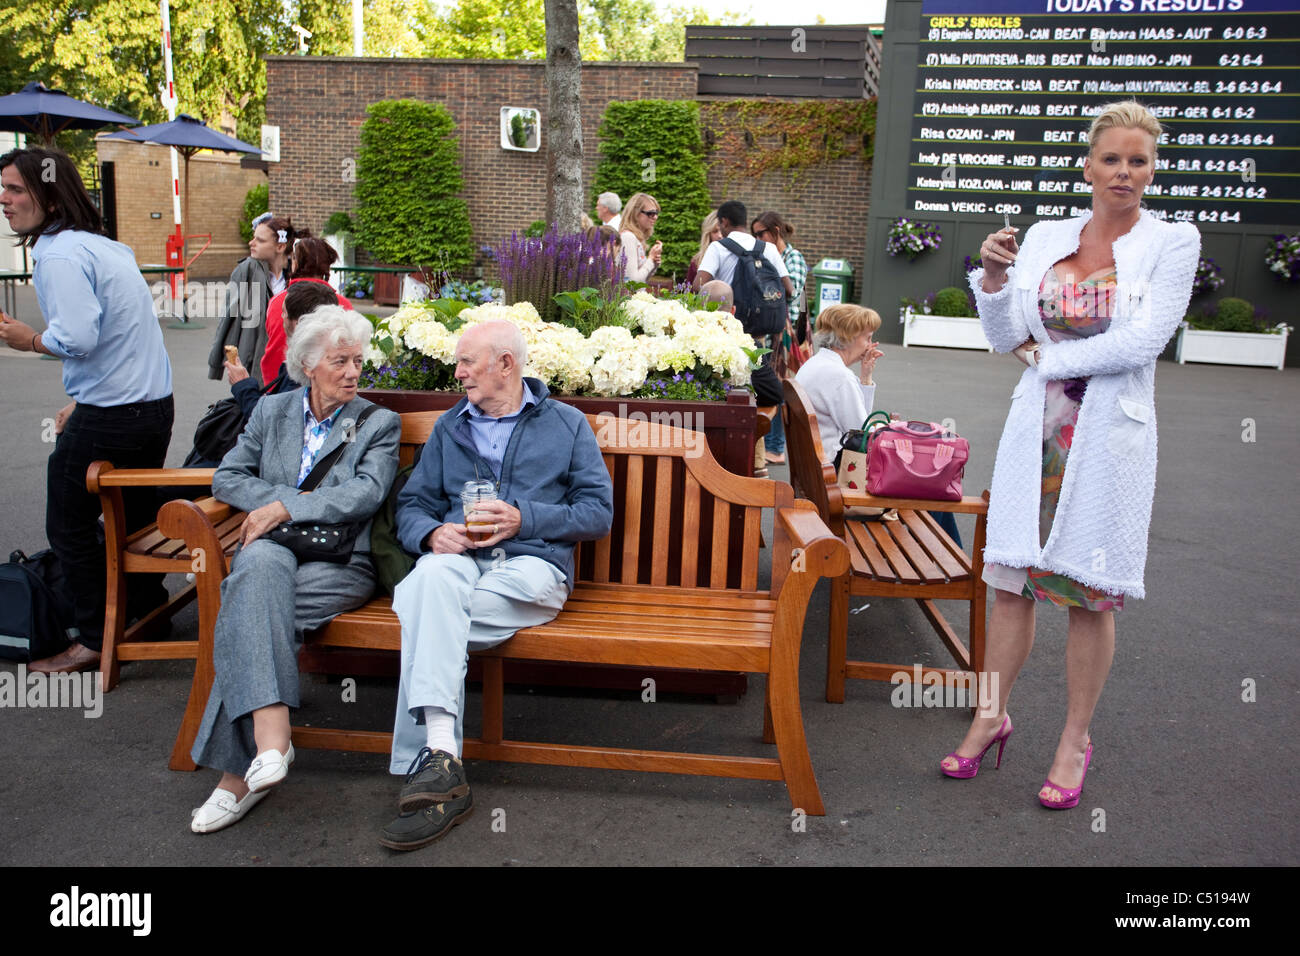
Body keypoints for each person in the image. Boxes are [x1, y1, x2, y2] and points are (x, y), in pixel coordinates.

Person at [942, 100, 1199, 809]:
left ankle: (1073, 740)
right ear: (1088, 165)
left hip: (1106, 439)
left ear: (1152, 169)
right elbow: (1006, 334)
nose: (1124, 172)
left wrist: (1044, 360)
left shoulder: (1171, 242)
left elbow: (1142, 341)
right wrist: (993, 283)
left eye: (1138, 160)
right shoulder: (1048, 235)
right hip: (1038, 434)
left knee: (1088, 593)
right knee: (1010, 584)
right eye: (1111, 159)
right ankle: (991, 717)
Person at [381, 319, 614, 851]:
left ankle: (431, 765)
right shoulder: (449, 427)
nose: (457, 372)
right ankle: (444, 763)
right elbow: (412, 504)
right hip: (463, 560)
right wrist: (433, 532)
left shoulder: (567, 425)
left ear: (505, 364)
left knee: (423, 608)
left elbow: (598, 514)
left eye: (467, 362)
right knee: (431, 578)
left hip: (532, 567)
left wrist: (522, 519)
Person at [187, 306, 400, 833]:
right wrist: (287, 501)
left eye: (357, 361)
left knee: (247, 603)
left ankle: (239, 775)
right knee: (258, 570)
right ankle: (271, 745)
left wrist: (285, 506)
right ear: (307, 364)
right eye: (339, 361)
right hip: (275, 550)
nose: (352, 372)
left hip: (339, 562)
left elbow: (365, 494)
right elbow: (228, 477)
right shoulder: (271, 411)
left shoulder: (377, 423)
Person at [0, 146, 174, 675]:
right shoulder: (106, 247)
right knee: (136, 519)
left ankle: (94, 639)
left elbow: (76, 337)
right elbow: (126, 336)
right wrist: (82, 396)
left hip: (114, 415)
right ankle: (146, 613)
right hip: (151, 406)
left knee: (69, 524)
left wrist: (29, 340)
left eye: (15, 190)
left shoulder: (56, 256)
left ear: (49, 196)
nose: (4, 201)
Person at [208, 214, 297, 385]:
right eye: (253, 237)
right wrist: (219, 362)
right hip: (252, 364)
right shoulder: (245, 270)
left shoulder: (295, 275)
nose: (251, 243)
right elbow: (229, 317)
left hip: (289, 364)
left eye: (260, 240)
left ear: (280, 246)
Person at [794, 304, 882, 468]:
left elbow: (859, 424)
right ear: (848, 337)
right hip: (832, 466)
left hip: (812, 464)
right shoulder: (839, 376)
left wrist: (865, 376)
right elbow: (861, 435)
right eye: (867, 338)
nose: (870, 345)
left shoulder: (815, 363)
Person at [751, 211, 808, 465]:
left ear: (775, 231)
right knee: (774, 384)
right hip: (773, 329)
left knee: (780, 386)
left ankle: (776, 447)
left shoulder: (792, 257)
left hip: (787, 332)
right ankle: (775, 445)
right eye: (754, 235)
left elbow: (790, 292)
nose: (757, 239)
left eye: (761, 233)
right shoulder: (766, 254)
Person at [258, 236, 352, 385]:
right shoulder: (343, 304)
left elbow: (274, 342)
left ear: (295, 263)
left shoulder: (278, 302)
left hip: (277, 380)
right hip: (328, 383)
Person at [690, 200, 793, 303]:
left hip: (730, 317)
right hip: (764, 318)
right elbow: (789, 290)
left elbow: (698, 286)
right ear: (745, 222)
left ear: (724, 222)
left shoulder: (717, 247)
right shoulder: (769, 248)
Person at [618, 192, 665, 284]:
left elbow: (642, 281)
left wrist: (653, 263)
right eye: (650, 213)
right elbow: (632, 283)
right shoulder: (628, 238)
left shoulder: (635, 238)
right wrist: (651, 259)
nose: (655, 217)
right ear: (635, 214)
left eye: (656, 213)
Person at [685, 211, 720, 287]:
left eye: (722, 231)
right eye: (715, 231)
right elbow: (689, 292)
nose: (720, 235)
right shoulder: (697, 261)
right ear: (708, 234)